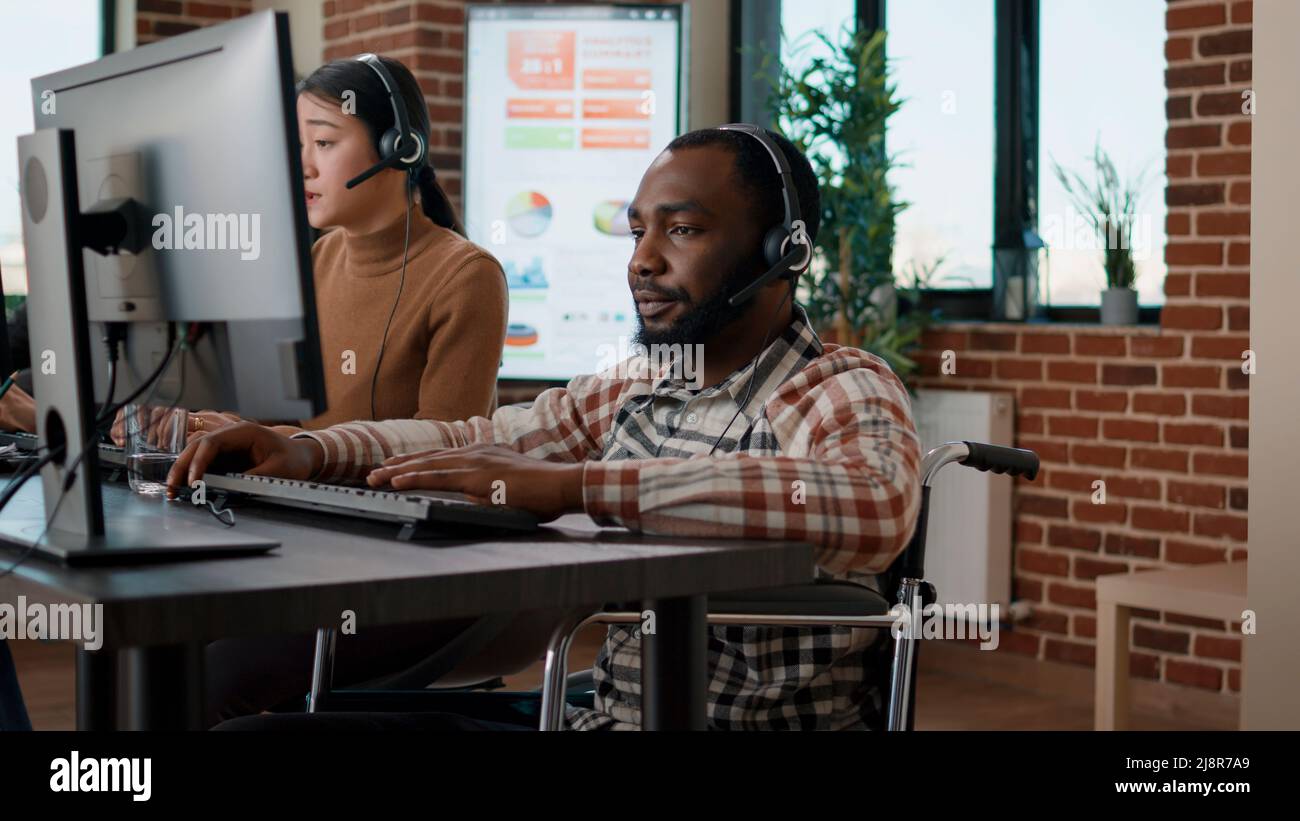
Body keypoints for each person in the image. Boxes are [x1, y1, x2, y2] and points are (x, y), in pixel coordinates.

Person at [177, 125, 923, 732]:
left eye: (683, 230)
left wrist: (576, 485)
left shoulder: (840, 386)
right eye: (636, 232)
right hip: (600, 714)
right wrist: (306, 451)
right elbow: (473, 437)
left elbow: (874, 501)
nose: (642, 260)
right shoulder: (643, 387)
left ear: (781, 252)